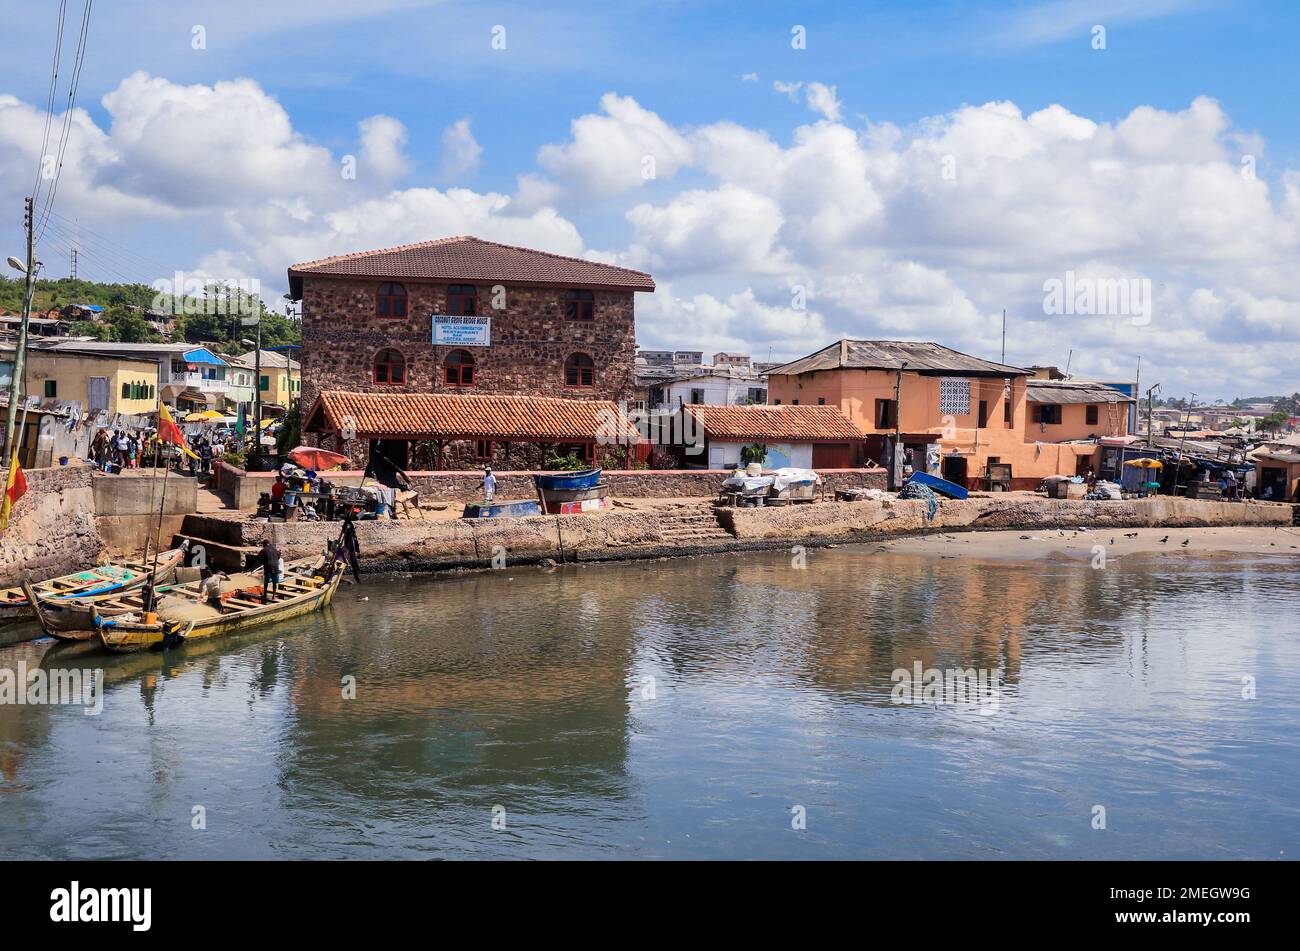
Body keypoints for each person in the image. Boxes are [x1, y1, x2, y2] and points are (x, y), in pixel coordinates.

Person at [260, 537, 281, 604]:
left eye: (263, 545)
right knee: (274, 582)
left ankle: (265, 595)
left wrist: (252, 568)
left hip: (268, 567)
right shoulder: (274, 549)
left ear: (265, 544)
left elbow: (259, 559)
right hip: (276, 567)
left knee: (266, 582)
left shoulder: (264, 550)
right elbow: (278, 556)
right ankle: (274, 596)